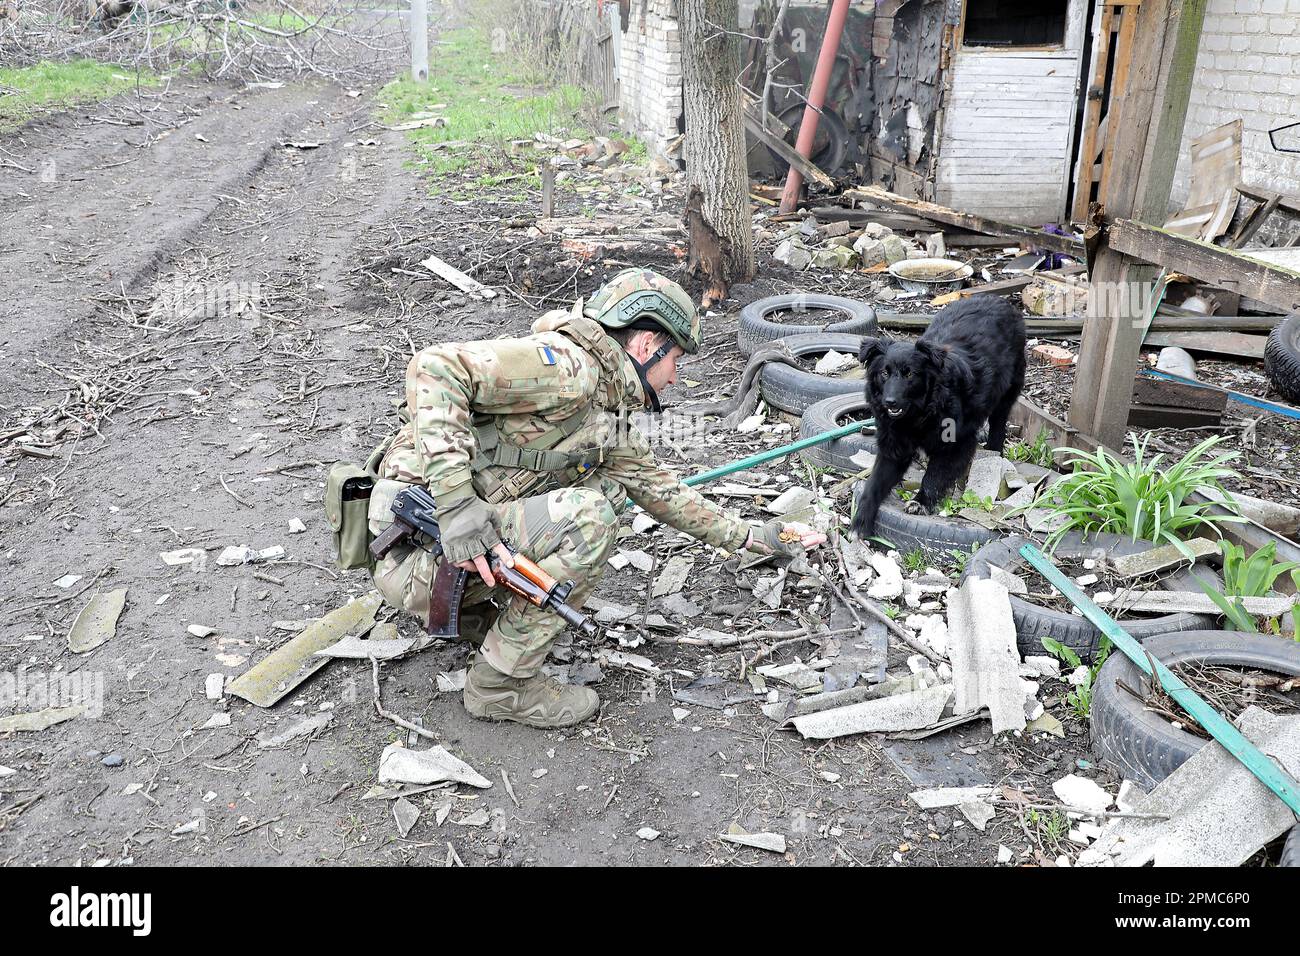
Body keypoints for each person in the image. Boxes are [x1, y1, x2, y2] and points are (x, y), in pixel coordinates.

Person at [366, 268, 822, 728]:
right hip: (417, 547)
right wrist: (458, 507)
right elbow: (435, 367)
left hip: (455, 555)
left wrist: (760, 536)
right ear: (646, 346)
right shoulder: (570, 370)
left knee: (606, 491)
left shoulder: (607, 412)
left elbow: (663, 492)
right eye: (676, 359)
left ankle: (479, 618)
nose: (676, 377)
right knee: (591, 517)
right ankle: (499, 686)